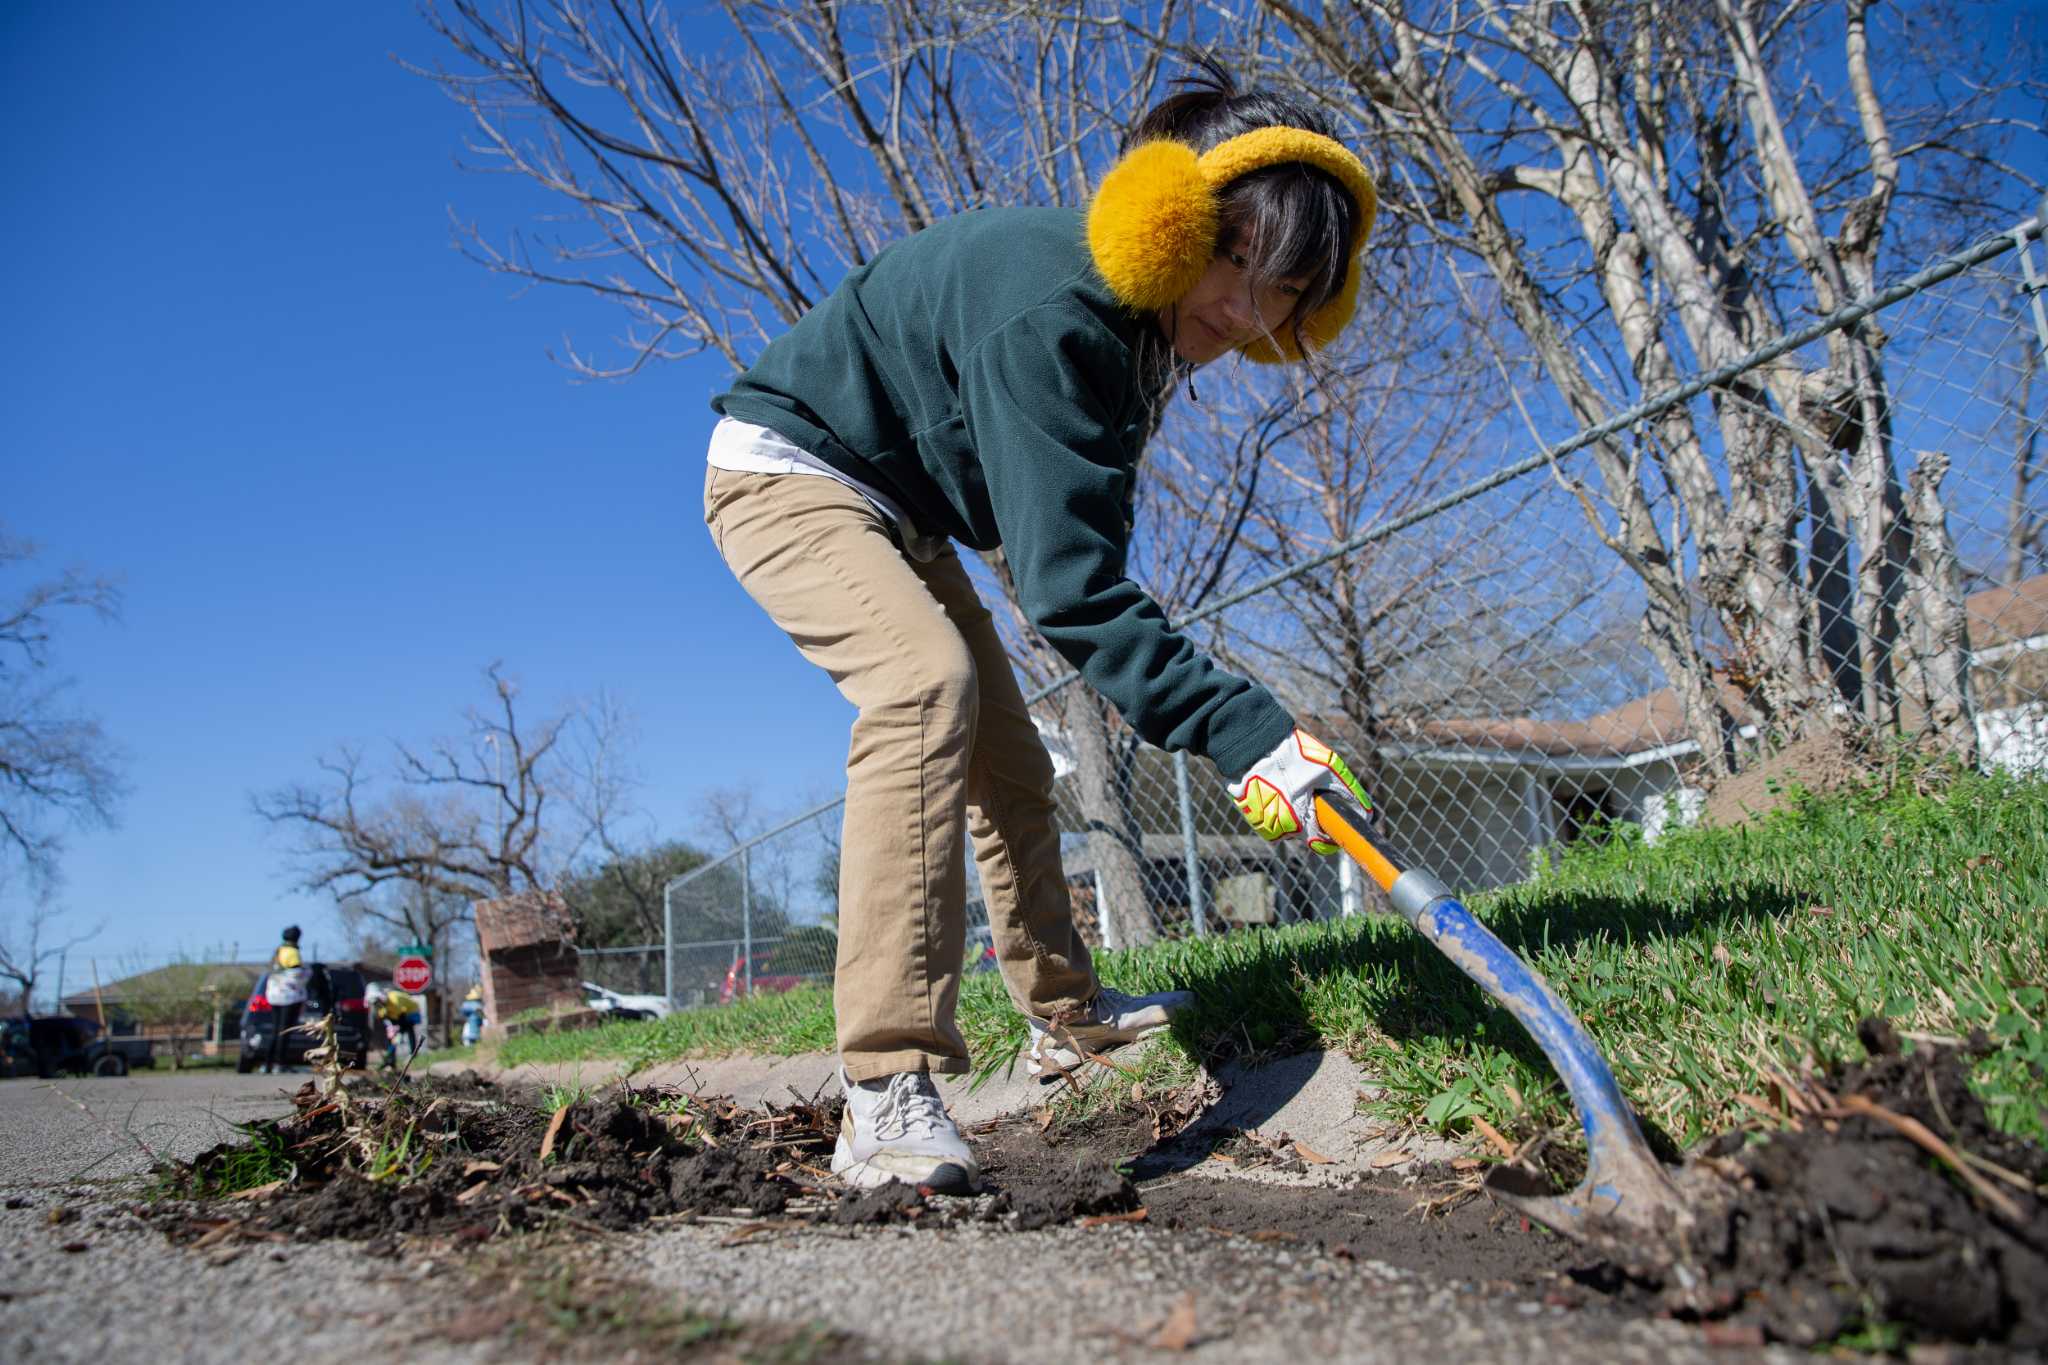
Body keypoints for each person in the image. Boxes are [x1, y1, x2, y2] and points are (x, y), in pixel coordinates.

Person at [704, 64, 1380, 1194]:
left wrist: (1215, 717)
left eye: (1285, 294)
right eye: (1235, 265)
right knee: (924, 689)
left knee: (1009, 760)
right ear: (1170, 222)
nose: (1247, 313)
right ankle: (884, 1086)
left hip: (900, 519)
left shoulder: (1134, 344)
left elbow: (1073, 560)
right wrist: (1247, 733)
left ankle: (1065, 1025)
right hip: (785, 478)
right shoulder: (1053, 303)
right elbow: (1069, 596)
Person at [262, 925, 309, 1074]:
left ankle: (267, 1064)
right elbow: (296, 973)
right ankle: (280, 1063)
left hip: (274, 995)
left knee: (276, 1030)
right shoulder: (293, 952)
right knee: (285, 1030)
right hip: (288, 996)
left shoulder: (278, 951)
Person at [375, 986, 422, 1069]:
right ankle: (391, 1060)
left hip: (411, 1011)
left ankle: (412, 1052)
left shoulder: (394, 1000)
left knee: (408, 1029)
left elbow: (398, 1016)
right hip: (401, 1014)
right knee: (395, 1036)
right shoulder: (384, 1004)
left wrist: (397, 1028)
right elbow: (384, 1015)